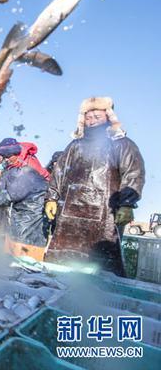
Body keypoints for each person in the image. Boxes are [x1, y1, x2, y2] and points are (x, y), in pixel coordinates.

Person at [45, 97, 145, 276]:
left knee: (102, 263)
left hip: (105, 214)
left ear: (108, 116)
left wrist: (127, 204)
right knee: (62, 260)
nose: (91, 121)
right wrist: (51, 197)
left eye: (96, 116)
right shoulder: (75, 146)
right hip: (69, 213)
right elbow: (59, 172)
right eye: (88, 117)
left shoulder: (122, 144)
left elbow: (133, 174)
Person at [0, 139, 49, 258]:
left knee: (25, 241)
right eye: (3, 156)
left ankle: (28, 268)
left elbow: (13, 194)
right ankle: (14, 266)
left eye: (7, 156)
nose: (5, 159)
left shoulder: (27, 167)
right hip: (21, 208)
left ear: (15, 153)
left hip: (31, 211)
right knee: (15, 239)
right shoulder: (14, 164)